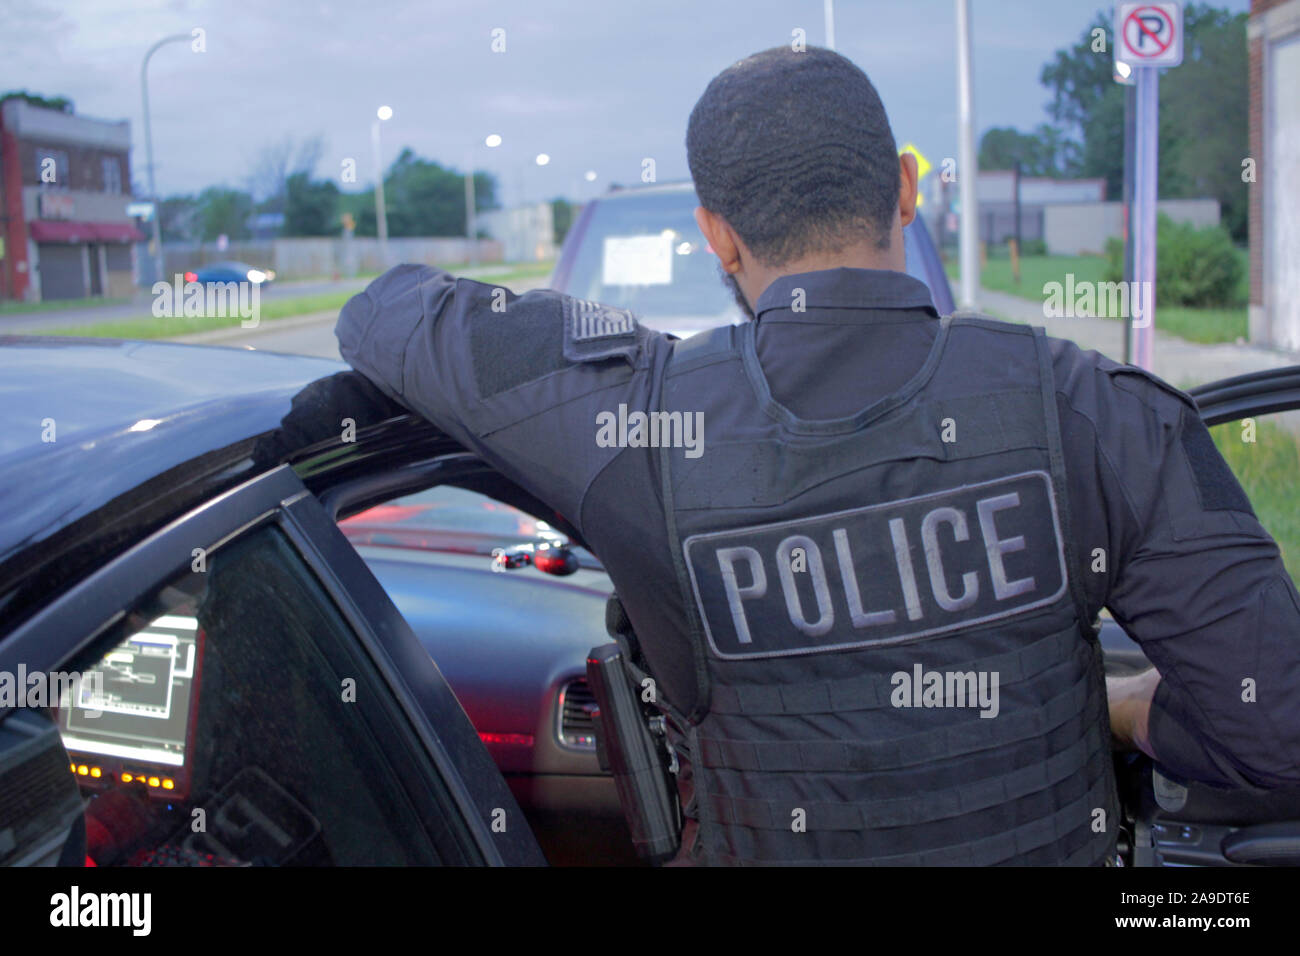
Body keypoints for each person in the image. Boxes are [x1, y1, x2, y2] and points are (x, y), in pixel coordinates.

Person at [335, 46, 1300, 865]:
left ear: (716, 236)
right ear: (907, 193)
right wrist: (1127, 714)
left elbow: (385, 315)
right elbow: (1277, 733)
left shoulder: (644, 429)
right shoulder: (1090, 408)